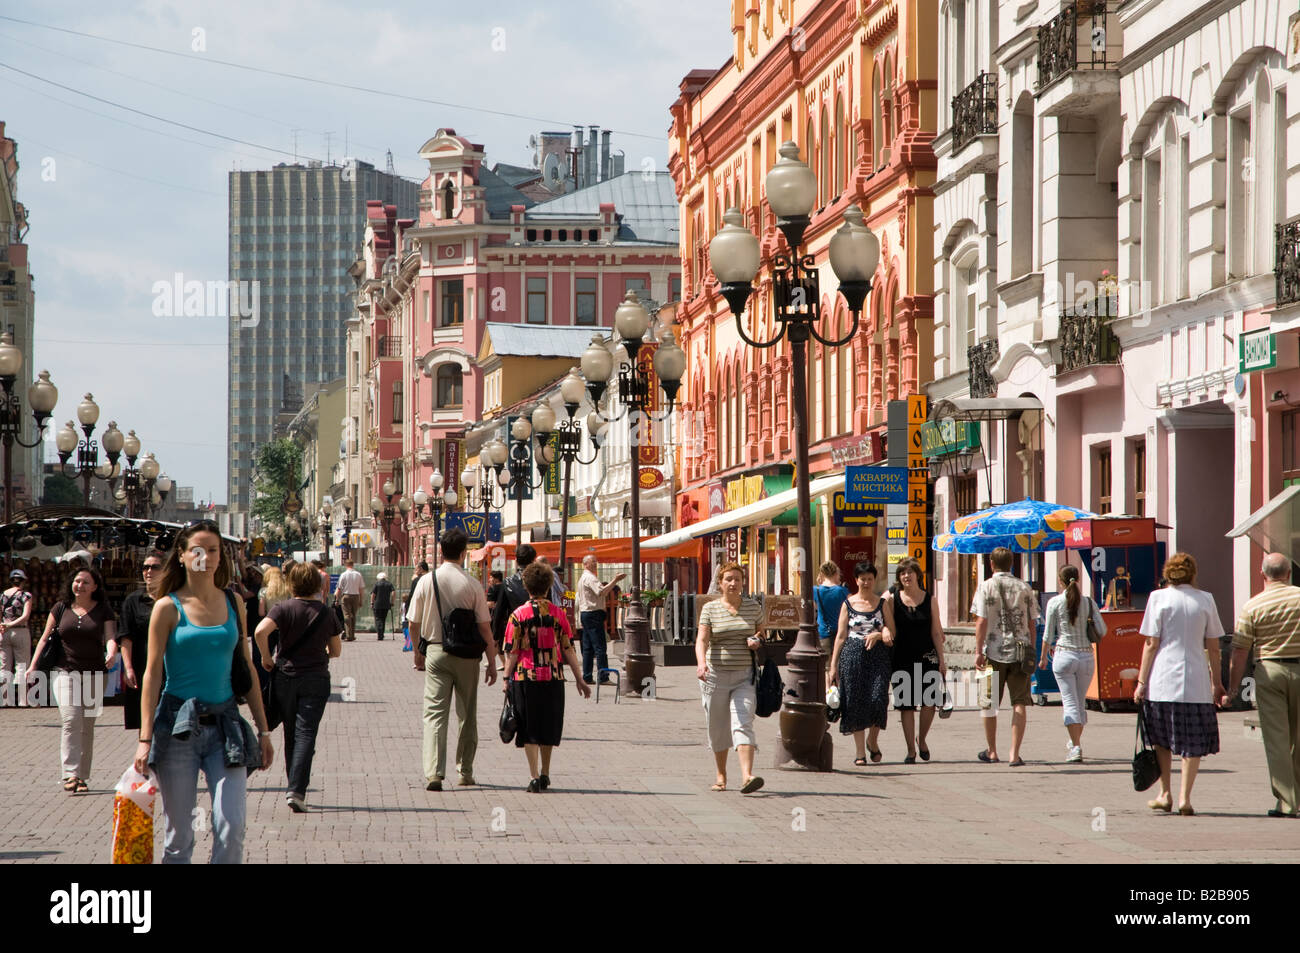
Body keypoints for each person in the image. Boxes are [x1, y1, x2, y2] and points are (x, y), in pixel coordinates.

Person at [132, 521, 273, 863]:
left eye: (213, 550)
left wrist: (264, 729)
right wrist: (145, 737)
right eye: (198, 550)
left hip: (226, 725)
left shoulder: (234, 601)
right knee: (179, 836)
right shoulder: (167, 607)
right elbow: (152, 674)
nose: (207, 557)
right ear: (181, 556)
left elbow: (247, 667)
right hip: (176, 726)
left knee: (232, 825)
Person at [1133, 552, 1228, 816]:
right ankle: (1186, 798)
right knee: (1192, 742)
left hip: (1162, 679)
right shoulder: (1205, 599)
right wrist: (1217, 683)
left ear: (1167, 573)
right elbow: (1214, 646)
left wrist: (1141, 682)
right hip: (1195, 681)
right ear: (1193, 573)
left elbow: (1151, 644)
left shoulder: (1157, 598)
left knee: (1162, 740)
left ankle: (1166, 793)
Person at [408, 529, 498, 790]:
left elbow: (413, 623)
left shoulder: (426, 581)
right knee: (466, 713)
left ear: (441, 550)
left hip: (436, 652)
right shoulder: (471, 584)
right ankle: (465, 771)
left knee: (435, 714)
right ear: (463, 552)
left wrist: (418, 651)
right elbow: (484, 627)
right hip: (468, 656)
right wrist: (492, 662)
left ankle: (434, 772)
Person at [254, 561, 343, 812]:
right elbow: (336, 650)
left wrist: (266, 658)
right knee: (306, 733)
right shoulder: (326, 613)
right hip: (315, 678)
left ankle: (293, 786)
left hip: (285, 677)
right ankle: (297, 789)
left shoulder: (283, 608)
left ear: (291, 583)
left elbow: (260, 632)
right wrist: (322, 650)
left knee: (291, 733)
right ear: (317, 584)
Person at [29, 567, 118, 793]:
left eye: (86, 582)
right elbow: (44, 638)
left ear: (95, 587)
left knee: (87, 725)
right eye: (77, 581)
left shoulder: (103, 610)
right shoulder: (60, 608)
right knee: (71, 719)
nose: (80, 585)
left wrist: (111, 652)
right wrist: (32, 665)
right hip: (65, 670)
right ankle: (70, 773)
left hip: (94, 674)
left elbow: (110, 638)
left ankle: (82, 776)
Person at [503, 561, 590, 792]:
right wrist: (580, 678)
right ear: (549, 585)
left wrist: (505, 677)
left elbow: (512, 651)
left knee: (529, 727)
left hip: (525, 677)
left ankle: (533, 775)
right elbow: (569, 648)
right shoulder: (558, 614)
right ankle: (545, 772)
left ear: (526, 584)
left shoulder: (517, 616)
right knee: (548, 725)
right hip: (553, 677)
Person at [1228, 552, 1300, 817]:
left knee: (1277, 739)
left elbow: (1238, 650)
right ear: (1289, 573)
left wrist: (1233, 688)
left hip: (1270, 671)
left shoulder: (1253, 606)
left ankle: (1287, 802)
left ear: (1263, 575)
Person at [695, 562, 765, 794]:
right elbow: (702, 640)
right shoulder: (710, 609)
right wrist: (702, 663)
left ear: (743, 582)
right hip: (714, 676)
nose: (734, 583)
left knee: (743, 721)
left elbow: (761, 634)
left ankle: (747, 776)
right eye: (729, 579)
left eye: (737, 579)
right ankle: (721, 775)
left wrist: (756, 640)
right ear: (721, 583)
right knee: (718, 727)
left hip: (745, 675)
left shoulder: (753, 607)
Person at [971, 547, 1039, 766]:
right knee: (1020, 702)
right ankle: (1014, 753)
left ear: (991, 564)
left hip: (992, 651)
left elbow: (981, 621)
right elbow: (1032, 622)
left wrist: (977, 651)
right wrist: (1033, 648)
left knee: (989, 704)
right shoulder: (1024, 587)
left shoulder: (985, 586)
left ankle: (991, 750)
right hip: (1020, 652)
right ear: (1012, 563)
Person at [830, 561, 894, 765]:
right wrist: (833, 666)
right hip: (852, 656)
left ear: (874, 580)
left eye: (870, 579)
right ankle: (860, 753)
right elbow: (840, 636)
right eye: (862, 579)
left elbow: (892, 632)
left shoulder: (882, 604)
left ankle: (872, 740)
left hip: (878, 657)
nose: (866, 582)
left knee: (878, 699)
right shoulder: (848, 604)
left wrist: (879, 634)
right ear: (856, 580)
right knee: (855, 702)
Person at [1040, 564, 1106, 763]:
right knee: (1079, 703)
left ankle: (1076, 747)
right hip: (1086, 657)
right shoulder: (1088, 602)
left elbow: (1047, 634)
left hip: (1064, 656)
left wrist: (1043, 657)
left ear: (1060, 581)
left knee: (1069, 703)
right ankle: (1074, 742)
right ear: (1077, 579)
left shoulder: (1054, 603)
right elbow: (1102, 630)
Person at [891, 557, 946, 763]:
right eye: (902, 573)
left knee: (929, 703)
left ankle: (921, 739)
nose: (906, 576)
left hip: (927, 658)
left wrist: (942, 660)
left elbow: (936, 632)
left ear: (917, 576)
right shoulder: (893, 599)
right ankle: (910, 750)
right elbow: (886, 623)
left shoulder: (930, 600)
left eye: (910, 572)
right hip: (902, 658)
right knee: (906, 706)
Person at [118, 553, 165, 731]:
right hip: (141, 668)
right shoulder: (133, 601)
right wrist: (128, 668)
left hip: (169, 670)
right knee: (144, 724)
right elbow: (125, 636)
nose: (149, 571)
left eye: (154, 567)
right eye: (145, 567)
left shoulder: (173, 599)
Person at [576, 555, 626, 685]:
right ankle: (603, 677)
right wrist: (615, 580)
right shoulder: (590, 577)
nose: (595, 564)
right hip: (593, 614)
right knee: (600, 647)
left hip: (586, 613)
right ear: (585, 564)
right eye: (592, 562)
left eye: (595, 562)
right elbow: (602, 591)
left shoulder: (583, 578)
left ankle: (586, 676)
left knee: (588, 648)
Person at [492, 544, 536, 661]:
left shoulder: (508, 582)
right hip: (539, 627)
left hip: (516, 628)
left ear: (516, 560)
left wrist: (495, 635)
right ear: (533, 560)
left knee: (515, 661)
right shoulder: (543, 580)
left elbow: (499, 611)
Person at [1, 568, 34, 707]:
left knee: (3, 666)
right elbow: (25, 616)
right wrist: (12, 624)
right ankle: (22, 700)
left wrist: (4, 626)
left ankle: (4, 700)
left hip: (3, 632)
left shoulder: (2, 595)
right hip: (20, 631)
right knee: (21, 666)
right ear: (23, 581)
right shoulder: (26, 595)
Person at [813, 562, 849, 658]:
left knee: (825, 666)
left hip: (823, 632)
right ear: (836, 573)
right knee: (840, 664)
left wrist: (819, 584)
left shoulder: (815, 590)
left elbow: (815, 607)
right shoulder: (842, 591)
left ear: (822, 574)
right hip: (841, 632)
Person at [404, 561, 429, 657]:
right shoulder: (433, 578)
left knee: (418, 631)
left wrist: (408, 607)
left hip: (419, 608)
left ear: (421, 569)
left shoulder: (417, 580)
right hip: (429, 609)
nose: (415, 571)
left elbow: (412, 595)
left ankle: (419, 654)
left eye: (416, 568)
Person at [335, 559, 364, 641]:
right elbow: (361, 588)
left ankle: (348, 635)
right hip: (356, 596)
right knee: (354, 615)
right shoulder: (358, 574)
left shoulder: (343, 575)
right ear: (353, 565)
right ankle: (353, 634)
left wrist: (337, 599)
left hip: (346, 596)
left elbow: (339, 588)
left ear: (346, 565)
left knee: (346, 615)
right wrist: (361, 600)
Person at [371, 571, 395, 641]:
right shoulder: (389, 584)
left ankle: (380, 635)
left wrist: (372, 602)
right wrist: (392, 602)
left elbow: (373, 594)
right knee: (383, 619)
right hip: (386, 604)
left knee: (378, 619)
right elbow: (393, 592)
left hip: (377, 604)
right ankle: (382, 634)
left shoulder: (377, 584)